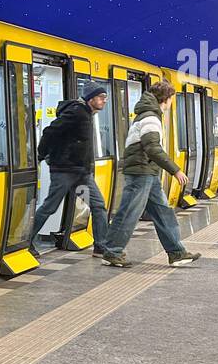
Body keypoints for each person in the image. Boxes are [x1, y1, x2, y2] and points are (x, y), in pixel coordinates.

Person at [101, 80, 199, 267]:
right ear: (167, 98)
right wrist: (175, 170)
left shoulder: (149, 115)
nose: (172, 103)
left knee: (163, 212)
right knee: (130, 211)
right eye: (172, 99)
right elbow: (152, 147)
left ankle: (177, 252)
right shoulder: (151, 118)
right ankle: (112, 251)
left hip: (148, 172)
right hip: (141, 172)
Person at [31, 85, 111, 254]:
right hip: (64, 171)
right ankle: (26, 241)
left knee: (98, 206)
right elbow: (49, 132)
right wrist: (41, 155)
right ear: (91, 98)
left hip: (81, 174)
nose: (104, 100)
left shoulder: (87, 114)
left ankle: (101, 246)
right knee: (50, 207)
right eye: (102, 97)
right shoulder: (76, 112)